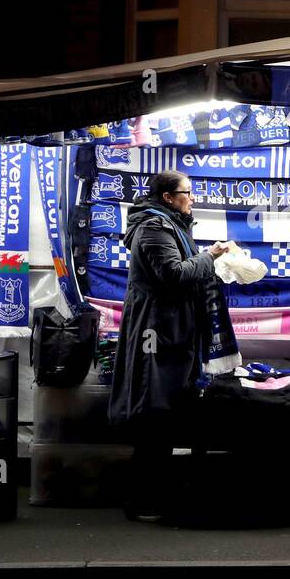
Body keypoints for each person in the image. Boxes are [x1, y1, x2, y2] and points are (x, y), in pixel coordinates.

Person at [108, 170, 230, 521]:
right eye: (187, 193)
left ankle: (156, 496)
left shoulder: (169, 224)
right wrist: (211, 257)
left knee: (167, 408)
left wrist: (205, 255)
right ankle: (143, 501)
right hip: (156, 331)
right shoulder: (153, 228)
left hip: (171, 328)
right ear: (168, 197)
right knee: (154, 409)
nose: (192, 198)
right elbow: (173, 275)